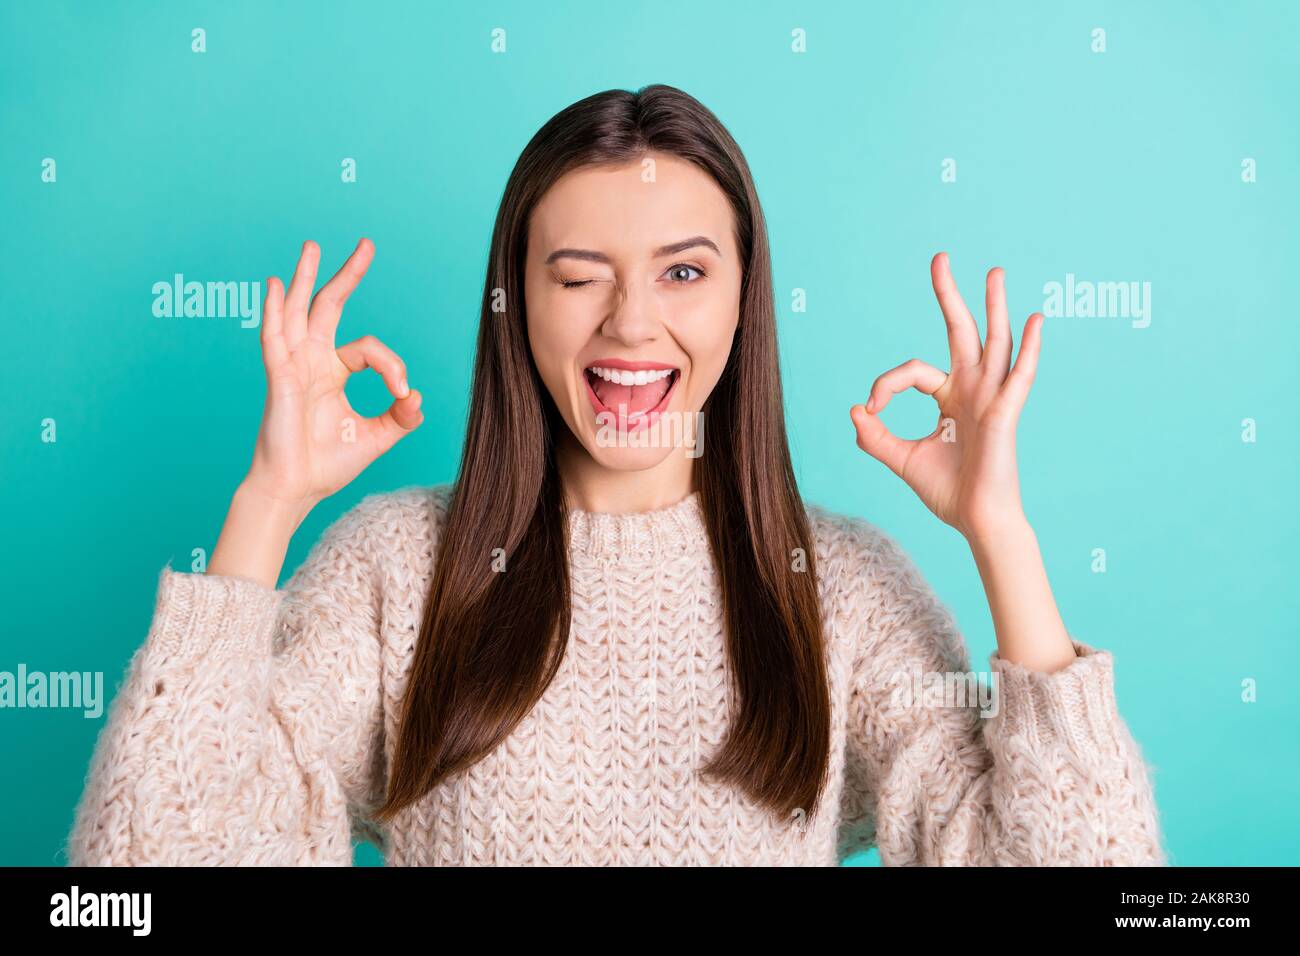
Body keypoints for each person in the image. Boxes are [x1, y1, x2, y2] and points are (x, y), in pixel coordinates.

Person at [66, 84, 1166, 866]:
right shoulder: (401, 567)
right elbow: (142, 870)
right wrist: (264, 508)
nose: (631, 323)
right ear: (517, 305)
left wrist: (1000, 537)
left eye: (683, 271)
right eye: (578, 276)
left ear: (745, 299)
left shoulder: (840, 587)